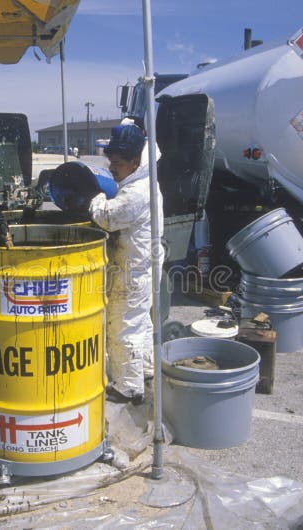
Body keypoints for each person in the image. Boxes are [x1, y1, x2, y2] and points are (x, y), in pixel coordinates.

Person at [88, 122, 164, 404]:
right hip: (143, 262)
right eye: (110, 161)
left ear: (134, 161)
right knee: (140, 321)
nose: (112, 168)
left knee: (121, 325)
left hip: (134, 268)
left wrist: (94, 197)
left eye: (117, 163)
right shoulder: (144, 179)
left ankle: (129, 387)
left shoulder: (136, 192)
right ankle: (143, 368)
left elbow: (107, 217)